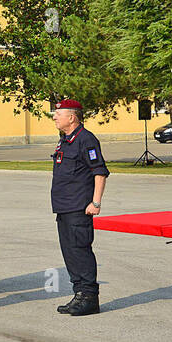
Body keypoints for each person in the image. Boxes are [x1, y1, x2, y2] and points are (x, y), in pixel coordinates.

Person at [50, 99, 109, 316]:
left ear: (72, 117)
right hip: (63, 207)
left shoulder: (86, 139)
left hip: (79, 207)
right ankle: (79, 294)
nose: (54, 117)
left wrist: (96, 202)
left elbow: (99, 172)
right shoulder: (64, 140)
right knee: (70, 252)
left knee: (80, 250)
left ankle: (90, 297)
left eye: (58, 114)